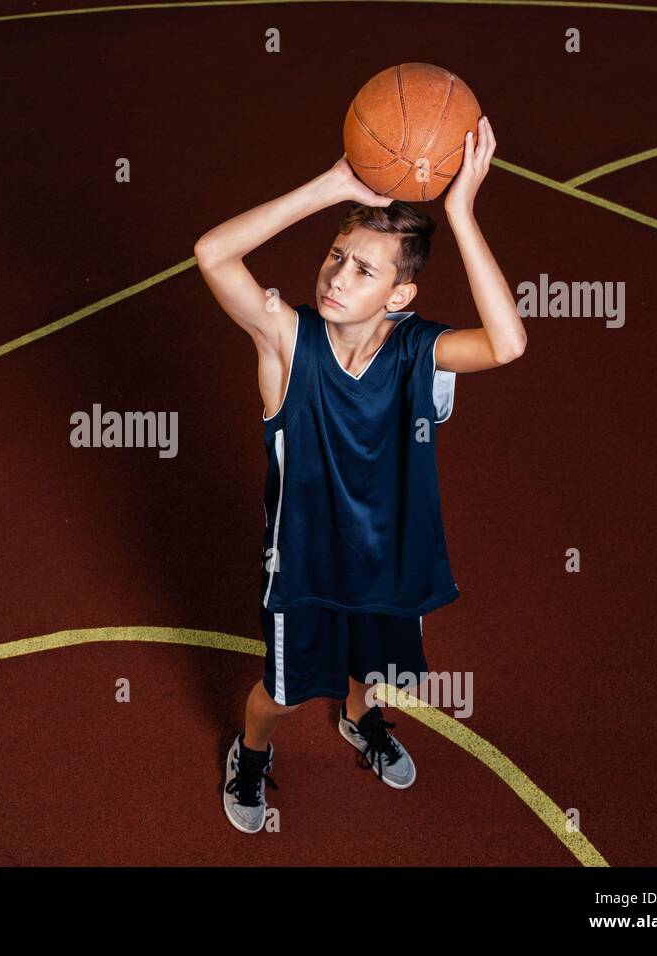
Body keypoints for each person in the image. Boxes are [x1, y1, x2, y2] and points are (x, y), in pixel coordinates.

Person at [194, 117, 526, 834]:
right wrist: (333, 185)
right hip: (304, 567)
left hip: (388, 558)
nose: (338, 276)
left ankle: (358, 720)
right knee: (280, 693)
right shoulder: (287, 341)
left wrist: (462, 212)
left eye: (365, 269)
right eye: (337, 256)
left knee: (375, 673)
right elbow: (213, 253)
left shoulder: (417, 351)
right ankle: (250, 755)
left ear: (400, 297)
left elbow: (507, 342)